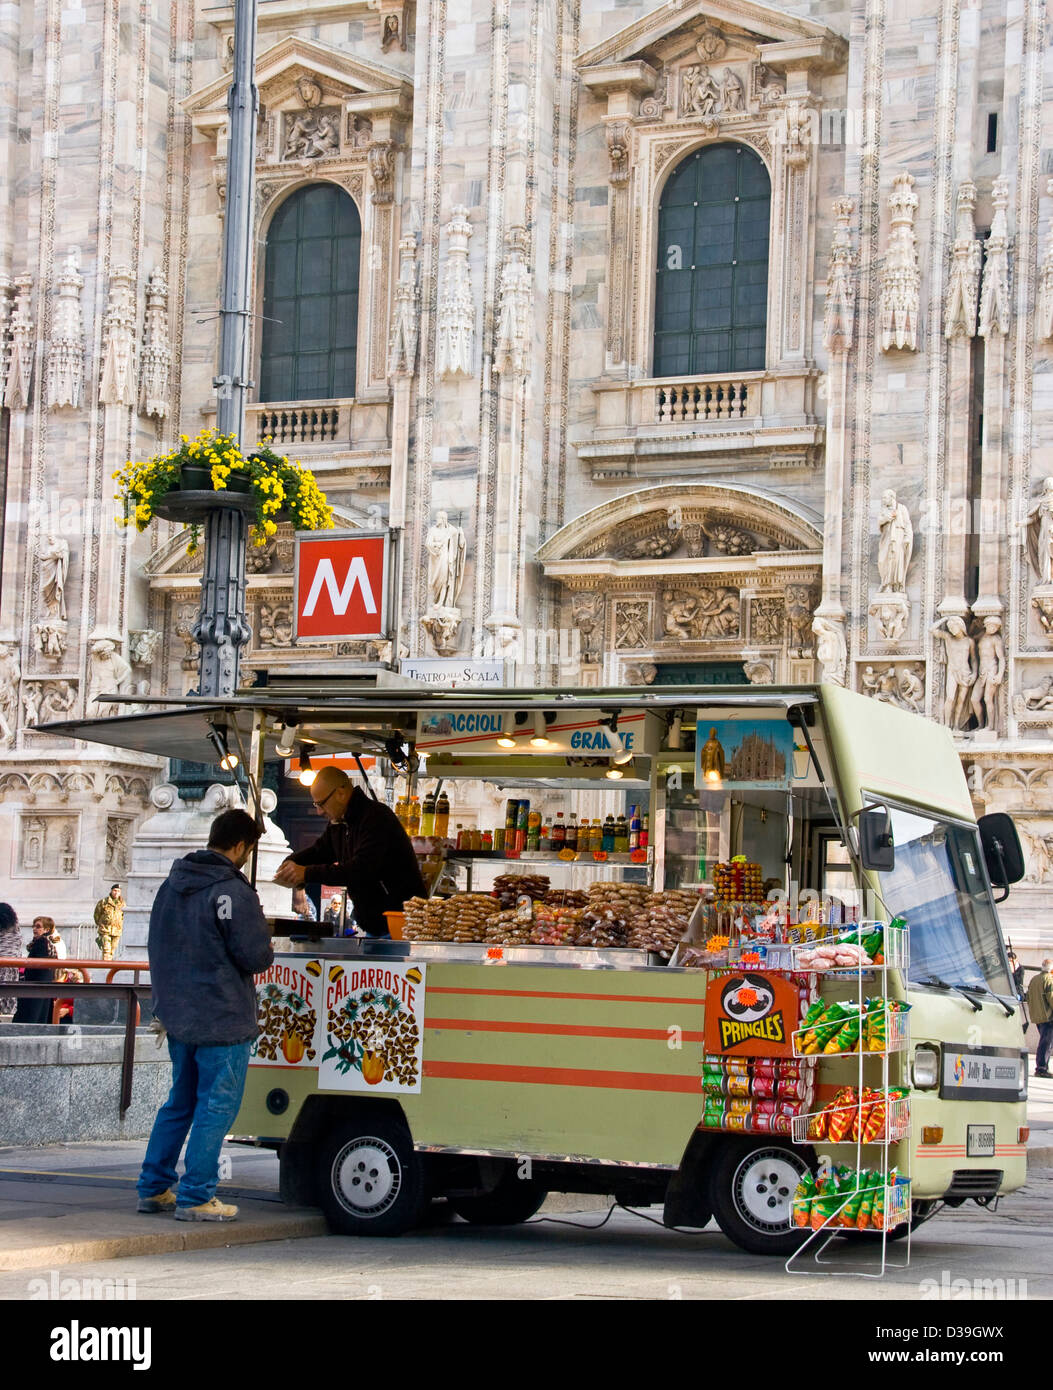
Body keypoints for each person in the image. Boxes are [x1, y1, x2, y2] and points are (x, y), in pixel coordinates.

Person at [136, 809, 274, 1222]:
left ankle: (154, 1186)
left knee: (179, 1102)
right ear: (240, 846)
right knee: (216, 1105)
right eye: (249, 850)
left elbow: (156, 945)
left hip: (179, 1015)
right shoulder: (232, 891)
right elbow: (255, 956)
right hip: (223, 1017)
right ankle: (196, 1195)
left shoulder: (171, 886)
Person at [274, 767, 426, 937]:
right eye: (316, 804)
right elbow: (319, 851)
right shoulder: (338, 823)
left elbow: (361, 869)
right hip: (375, 927)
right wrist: (291, 863)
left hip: (401, 925)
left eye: (321, 803)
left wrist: (306, 873)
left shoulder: (376, 817)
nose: (319, 811)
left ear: (340, 793)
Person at [12, 917, 59, 1025]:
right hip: (44, 988)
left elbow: (37, 966)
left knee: (30, 1018)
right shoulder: (49, 944)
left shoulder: (41, 942)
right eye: (33, 926)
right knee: (40, 1018)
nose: (34, 929)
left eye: (38, 927)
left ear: (46, 929)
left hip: (35, 988)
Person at [1026, 958, 1053, 1078]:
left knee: (1045, 1042)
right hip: (1047, 1016)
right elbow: (1051, 998)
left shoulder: (1034, 979)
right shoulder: (1049, 980)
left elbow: (1028, 997)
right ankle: (1042, 1068)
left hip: (1038, 1016)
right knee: (1046, 1043)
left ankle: (1042, 1067)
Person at [0, 903, 22, 1017]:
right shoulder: (15, 928)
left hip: (2, 964)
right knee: (8, 997)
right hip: (12, 967)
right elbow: (18, 946)